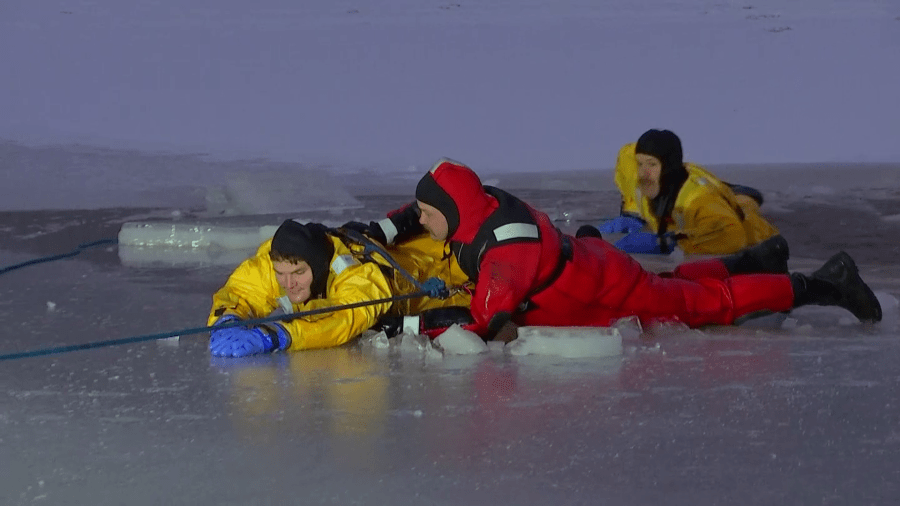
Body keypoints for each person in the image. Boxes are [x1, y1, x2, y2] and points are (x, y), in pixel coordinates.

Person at [363, 157, 881, 341]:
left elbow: (483, 321)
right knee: (670, 285)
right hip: (593, 266)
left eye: (427, 215)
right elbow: (424, 207)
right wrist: (384, 230)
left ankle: (826, 284)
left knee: (705, 306)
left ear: (452, 212)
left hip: (599, 292)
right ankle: (750, 261)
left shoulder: (504, 255)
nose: (420, 220)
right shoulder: (484, 201)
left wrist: (403, 326)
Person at [207, 219, 473, 357]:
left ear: (319, 267)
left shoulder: (356, 274)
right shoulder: (280, 259)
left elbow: (344, 315)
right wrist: (228, 317)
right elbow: (243, 290)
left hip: (442, 273)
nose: (289, 284)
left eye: (299, 273)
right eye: (282, 275)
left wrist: (278, 335)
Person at [587, 129, 781, 257]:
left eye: (652, 164)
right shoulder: (639, 174)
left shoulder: (697, 198)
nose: (643, 172)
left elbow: (732, 236)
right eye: (640, 164)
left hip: (759, 252)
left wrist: (675, 242)